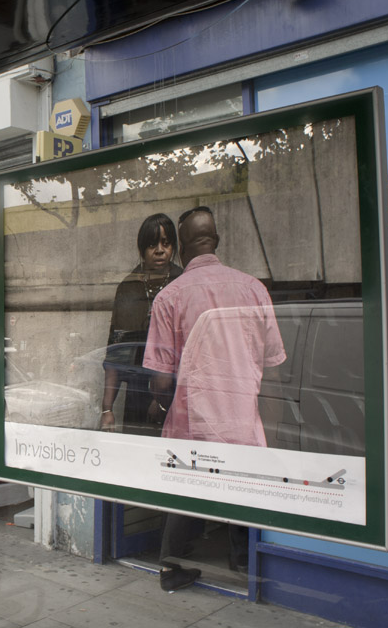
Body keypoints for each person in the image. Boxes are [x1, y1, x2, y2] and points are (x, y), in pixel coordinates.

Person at [142, 206, 286, 591]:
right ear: (216, 241)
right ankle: (245, 567)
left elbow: (159, 380)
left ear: (181, 248)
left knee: (184, 496)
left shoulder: (169, 297)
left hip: (193, 426)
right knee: (243, 494)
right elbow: (273, 364)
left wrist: (160, 400)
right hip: (242, 421)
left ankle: (172, 570)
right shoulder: (254, 289)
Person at [100, 213, 184, 434]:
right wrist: (106, 409)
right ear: (141, 249)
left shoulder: (182, 283)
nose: (159, 250)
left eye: (166, 243)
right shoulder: (129, 287)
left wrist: (163, 400)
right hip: (137, 392)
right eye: (152, 244)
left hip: (176, 392)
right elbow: (115, 351)